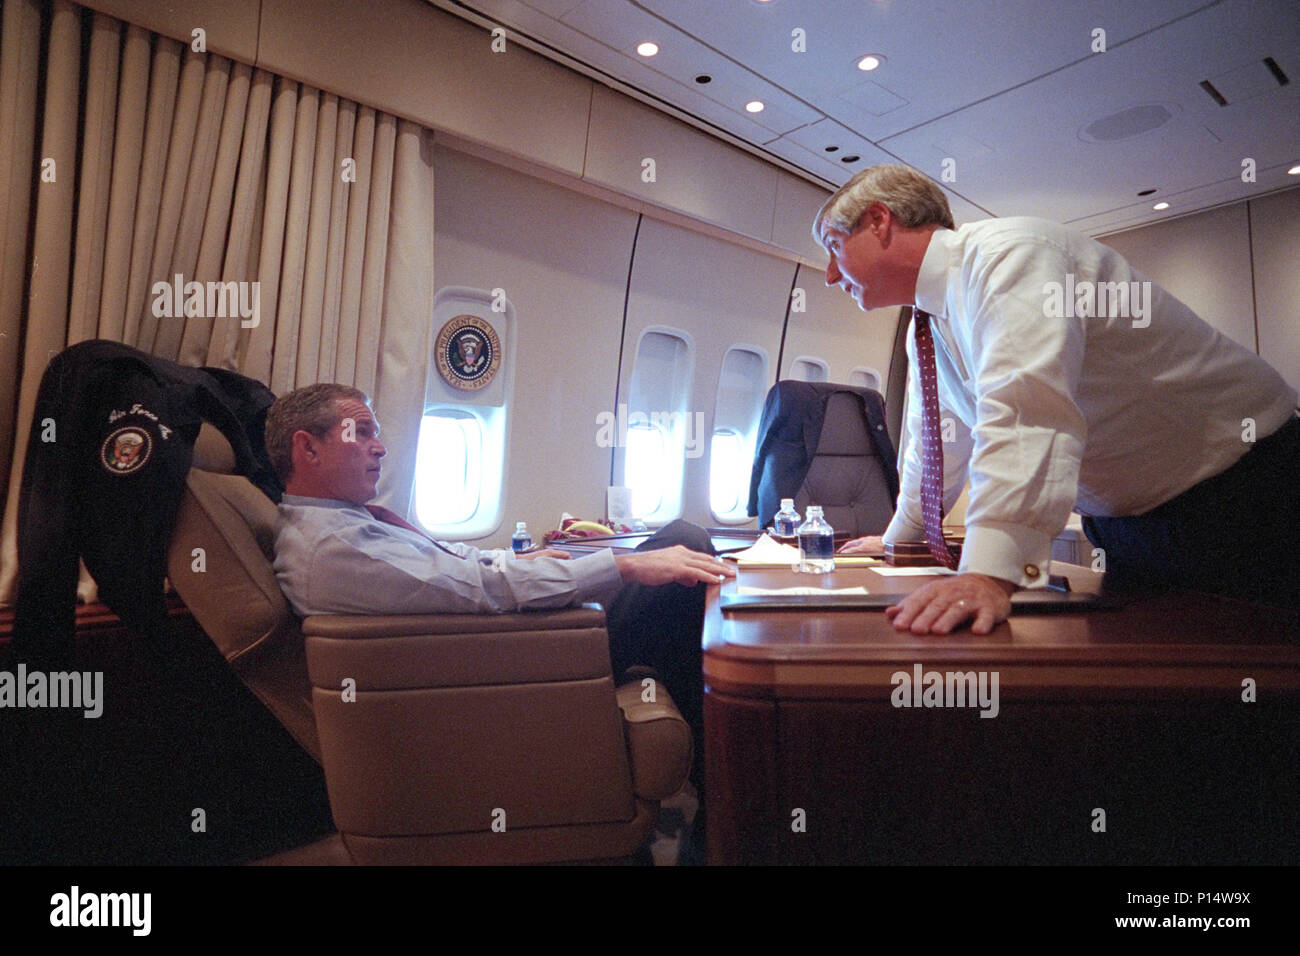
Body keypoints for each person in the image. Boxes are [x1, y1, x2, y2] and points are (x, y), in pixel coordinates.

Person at [817, 164, 1298, 634]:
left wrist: (989, 575)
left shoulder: (1010, 255)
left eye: (835, 247)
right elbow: (938, 447)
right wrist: (900, 540)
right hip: (1129, 527)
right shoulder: (925, 326)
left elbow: (1028, 411)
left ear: (879, 221)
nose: (830, 276)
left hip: (1247, 493)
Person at [263, 383, 734, 818]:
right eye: (361, 433)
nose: (381, 447)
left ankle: (717, 787)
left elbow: (452, 560)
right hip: (502, 662)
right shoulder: (333, 548)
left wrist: (523, 559)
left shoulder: (346, 524)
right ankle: (728, 795)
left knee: (678, 551)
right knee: (679, 562)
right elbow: (482, 591)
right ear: (308, 448)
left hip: (494, 646)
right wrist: (623, 566)